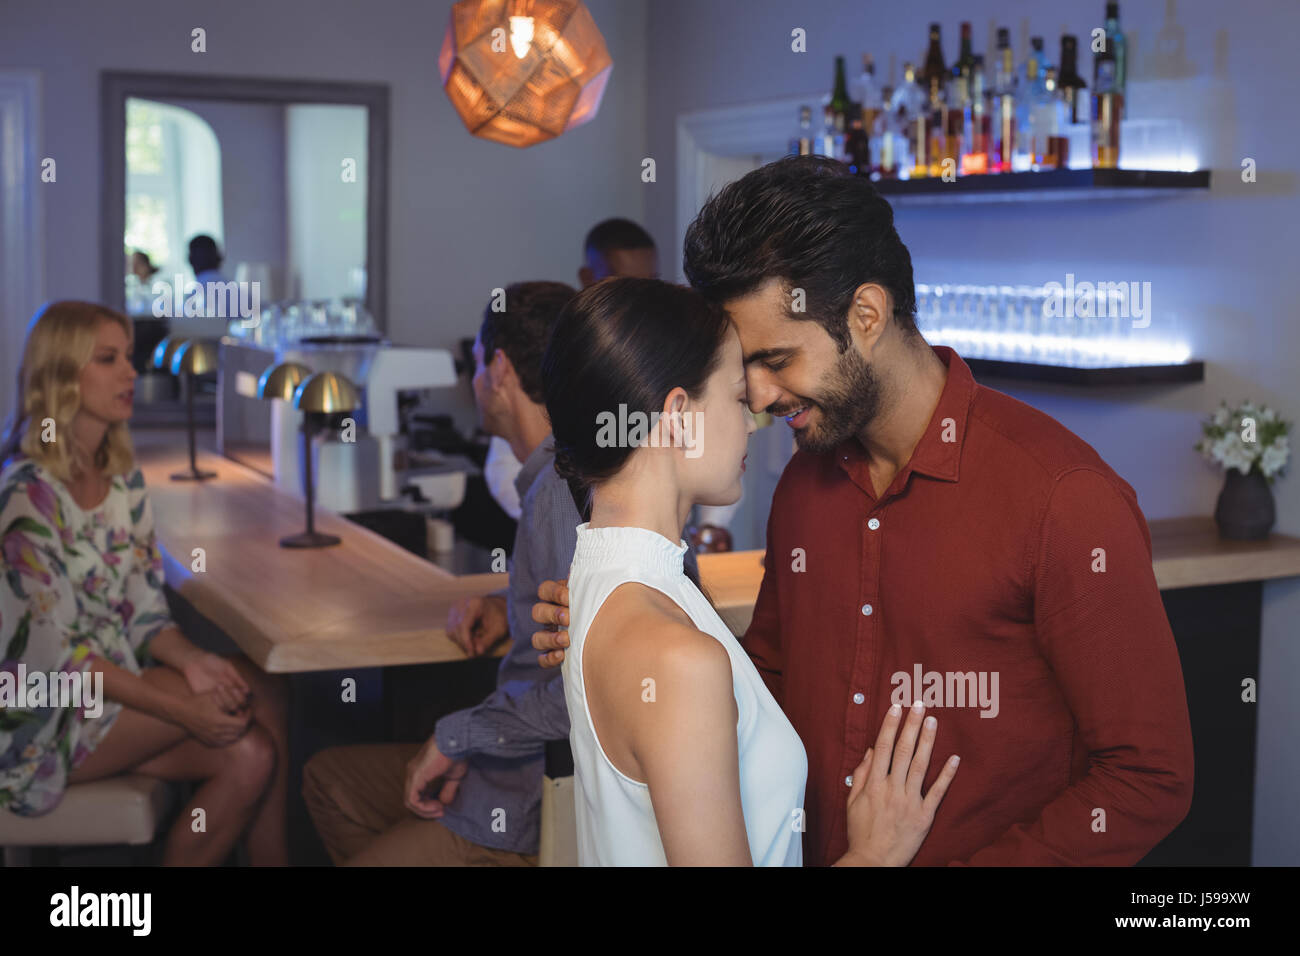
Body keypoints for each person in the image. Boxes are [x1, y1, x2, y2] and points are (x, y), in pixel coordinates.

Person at [531, 154, 1195, 866]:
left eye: (775, 359)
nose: (753, 397)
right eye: (741, 368)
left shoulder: (1063, 498)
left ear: (867, 315)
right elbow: (768, 680)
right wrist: (633, 631)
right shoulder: (803, 486)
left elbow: (1147, 776)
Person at [538, 278, 958, 866]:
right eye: (737, 397)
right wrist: (874, 855)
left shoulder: (591, 587)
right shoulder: (676, 657)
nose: (756, 416)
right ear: (679, 416)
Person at [303, 281, 657, 866]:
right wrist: (508, 599)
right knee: (329, 779)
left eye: (474, 366)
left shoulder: (559, 492)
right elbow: (583, 599)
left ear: (497, 370)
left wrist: (459, 735)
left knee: (331, 786)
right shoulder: (559, 481)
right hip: (514, 767)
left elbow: (595, 689)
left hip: (525, 805)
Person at [0, 301, 290, 866]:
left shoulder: (121, 478)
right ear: (62, 376)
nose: (132, 373)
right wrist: (180, 708)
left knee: (252, 750)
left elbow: (144, 613)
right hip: (41, 720)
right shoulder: (25, 495)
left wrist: (192, 663)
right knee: (260, 693)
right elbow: (59, 661)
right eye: (108, 359)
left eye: (128, 357)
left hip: (112, 700)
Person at [483, 218, 663, 522]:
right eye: (623, 284)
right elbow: (505, 466)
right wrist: (558, 517)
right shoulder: (556, 341)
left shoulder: (670, 349)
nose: (640, 301)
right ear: (587, 277)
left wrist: (711, 524)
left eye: (651, 283)